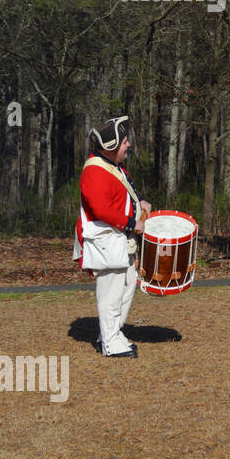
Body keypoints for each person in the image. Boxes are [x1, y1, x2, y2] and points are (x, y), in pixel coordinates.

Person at [73, 116, 152, 358]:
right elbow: (101, 209)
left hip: (120, 239)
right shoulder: (94, 171)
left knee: (126, 287)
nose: (128, 145)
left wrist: (139, 204)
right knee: (111, 293)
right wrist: (134, 222)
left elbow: (120, 196)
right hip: (107, 240)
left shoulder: (111, 165)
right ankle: (111, 343)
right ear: (111, 146)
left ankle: (110, 336)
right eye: (125, 141)